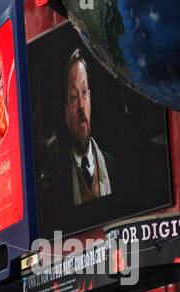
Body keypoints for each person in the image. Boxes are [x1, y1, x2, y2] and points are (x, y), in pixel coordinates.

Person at [58, 48, 115, 207]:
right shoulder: (59, 184)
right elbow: (57, 233)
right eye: (75, 97)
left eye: (84, 93)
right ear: (67, 113)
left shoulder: (111, 167)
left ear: (90, 99)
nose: (81, 106)